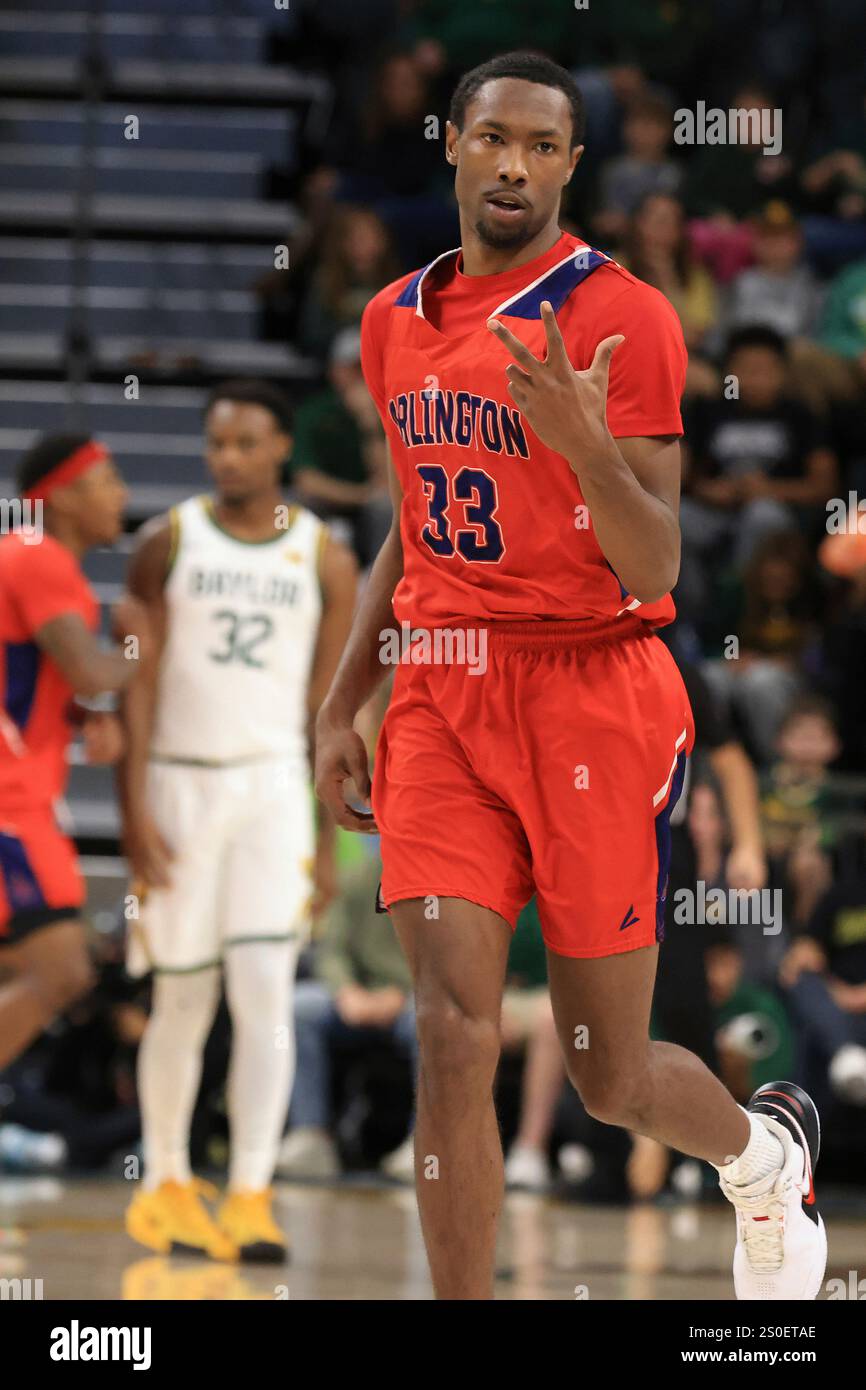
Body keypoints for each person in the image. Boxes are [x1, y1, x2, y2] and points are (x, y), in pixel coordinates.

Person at [315, 51, 826, 1300]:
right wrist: (346, 693)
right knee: (451, 1030)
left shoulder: (624, 317)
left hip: (594, 684)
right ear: (450, 141)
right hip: (443, 691)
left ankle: (761, 1158)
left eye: (542, 147)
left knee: (607, 1072)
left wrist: (583, 443)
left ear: (570, 166)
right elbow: (409, 523)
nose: (513, 165)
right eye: (492, 137)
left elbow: (655, 562)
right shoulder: (391, 319)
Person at [119, 379, 357, 1263]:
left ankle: (252, 1193)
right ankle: (166, 1186)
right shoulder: (165, 540)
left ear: (281, 449)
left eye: (247, 444)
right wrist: (133, 809)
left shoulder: (324, 556)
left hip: (272, 792)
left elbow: (329, 710)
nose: (229, 459)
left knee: (265, 998)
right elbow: (137, 685)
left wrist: (329, 838)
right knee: (182, 997)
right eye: (218, 444)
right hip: (180, 785)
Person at [0, 435, 144, 1072]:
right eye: (107, 480)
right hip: (11, 803)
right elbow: (90, 671)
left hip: (24, 795)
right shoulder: (38, 557)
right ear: (59, 495)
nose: (123, 496)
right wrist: (143, 648)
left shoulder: (31, 557)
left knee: (47, 968)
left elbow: (43, 678)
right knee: (61, 972)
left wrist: (85, 714)